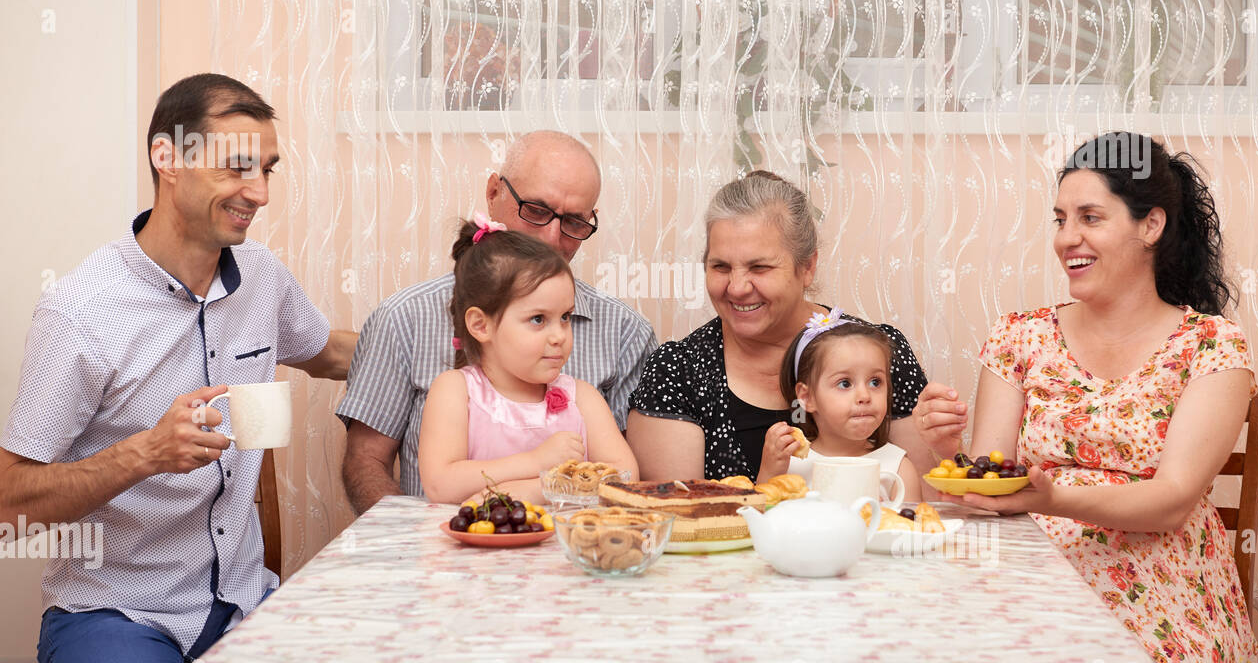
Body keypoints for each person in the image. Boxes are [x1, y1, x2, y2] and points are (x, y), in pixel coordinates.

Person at [0, 74, 357, 663]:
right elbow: (10, 507)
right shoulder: (80, 312)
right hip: (116, 614)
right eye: (238, 168)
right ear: (167, 157)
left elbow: (332, 354)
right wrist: (143, 454)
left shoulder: (262, 276)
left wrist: (475, 344)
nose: (260, 192)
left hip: (245, 602)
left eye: (267, 169)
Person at [916, 133, 1258, 663]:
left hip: (1162, 584)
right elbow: (991, 483)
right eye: (1060, 220)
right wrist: (948, 452)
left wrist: (1054, 497)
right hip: (1029, 572)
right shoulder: (1020, 337)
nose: (1066, 238)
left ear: (1150, 226)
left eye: (1089, 218)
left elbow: (1172, 501)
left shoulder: (1211, 346)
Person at [338, 132, 657, 513]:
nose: (551, 236)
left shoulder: (624, 334)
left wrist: (531, 490)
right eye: (536, 210)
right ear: (493, 192)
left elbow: (625, 482)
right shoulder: (404, 319)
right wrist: (407, 554)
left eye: (574, 221)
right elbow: (368, 462)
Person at [627, 170, 936, 482]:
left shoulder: (880, 354)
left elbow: (926, 504)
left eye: (759, 267)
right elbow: (677, 517)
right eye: (720, 266)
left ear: (807, 267)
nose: (736, 287)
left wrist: (945, 442)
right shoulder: (678, 371)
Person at [417, 217, 638, 505]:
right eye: (538, 319)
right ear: (481, 325)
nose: (559, 335)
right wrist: (536, 461)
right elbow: (440, 484)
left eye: (565, 317)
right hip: (473, 547)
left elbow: (625, 478)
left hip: (562, 550)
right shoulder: (456, 390)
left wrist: (535, 490)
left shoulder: (582, 398)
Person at [771, 310, 920, 499]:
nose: (864, 396)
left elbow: (910, 527)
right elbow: (758, 519)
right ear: (807, 397)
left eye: (875, 382)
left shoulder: (898, 468)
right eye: (845, 383)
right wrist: (770, 472)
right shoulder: (790, 465)